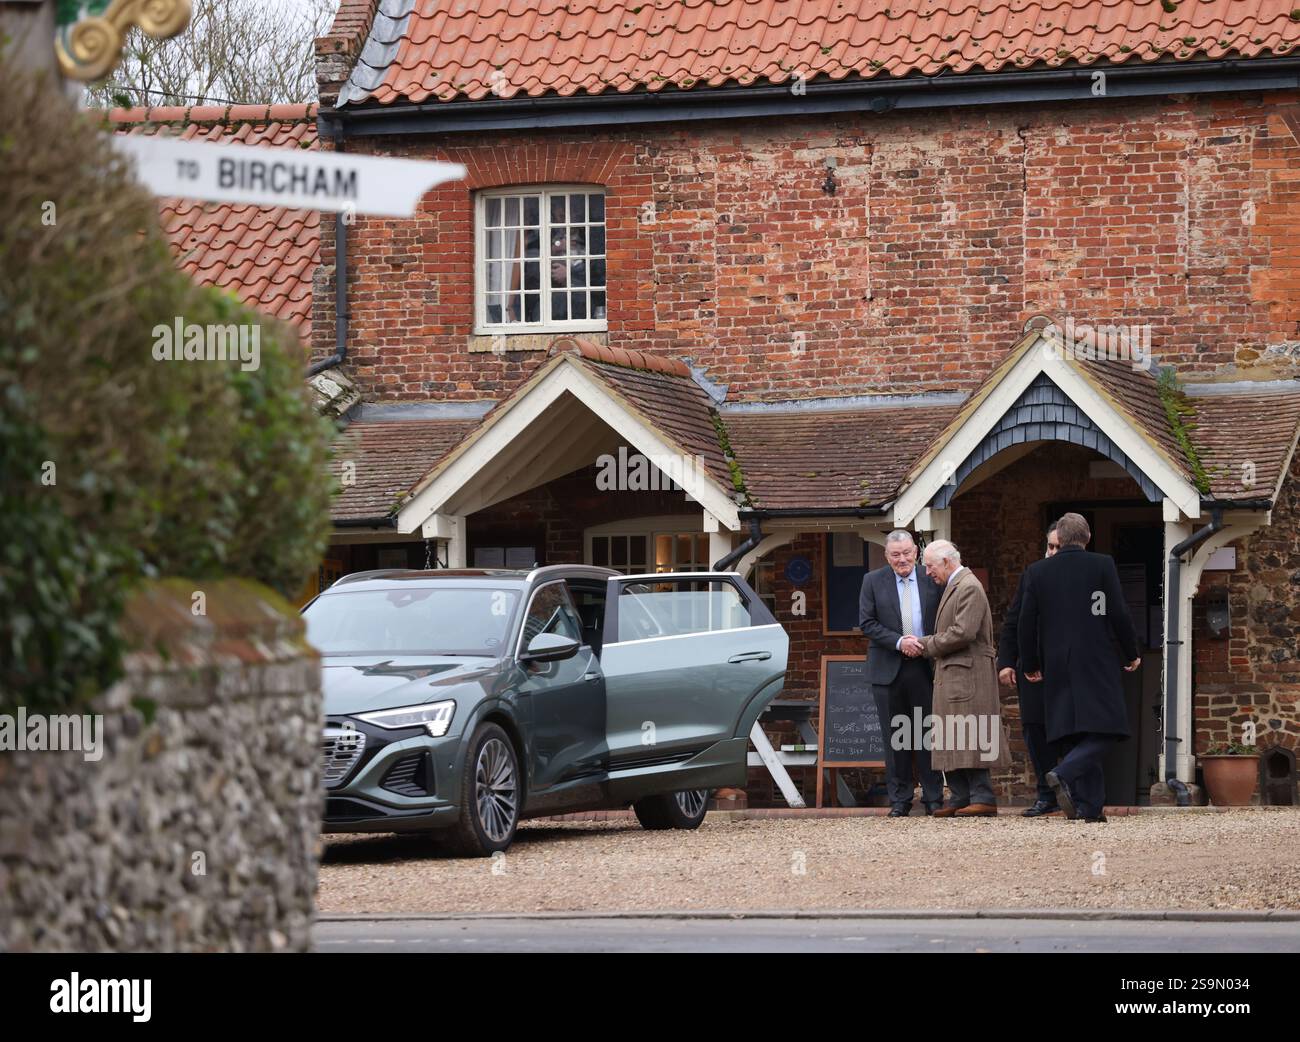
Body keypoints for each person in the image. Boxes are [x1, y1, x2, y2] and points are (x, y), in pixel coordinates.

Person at [1018, 512, 1141, 823]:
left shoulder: (1037, 571)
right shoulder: (1101, 565)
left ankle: (1091, 809)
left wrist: (1030, 663)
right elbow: (1118, 613)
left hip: (1056, 662)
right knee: (1109, 727)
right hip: (1096, 658)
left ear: (1060, 537)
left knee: (1078, 734)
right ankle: (1063, 772)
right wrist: (1131, 653)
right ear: (1087, 538)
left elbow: (1025, 621)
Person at [918, 540, 1011, 817]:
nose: (927, 573)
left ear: (947, 562)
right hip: (955, 673)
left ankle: (982, 797)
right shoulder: (956, 585)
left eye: (930, 566)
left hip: (968, 674)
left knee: (971, 733)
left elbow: (963, 632)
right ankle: (960, 797)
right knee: (952, 735)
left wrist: (925, 644)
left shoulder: (969, 586)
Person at [859, 531, 945, 817]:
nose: (902, 559)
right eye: (895, 554)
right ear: (887, 556)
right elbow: (867, 623)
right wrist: (900, 642)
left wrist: (924, 644)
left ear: (916, 553)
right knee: (895, 736)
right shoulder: (872, 581)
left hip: (925, 665)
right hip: (887, 667)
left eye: (907, 553)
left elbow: (944, 617)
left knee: (926, 733)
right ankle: (900, 799)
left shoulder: (930, 578)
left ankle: (933, 797)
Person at [997, 525, 1062, 817]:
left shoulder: (1087, 575)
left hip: (1067, 669)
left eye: (1058, 548)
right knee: (1035, 730)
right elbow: (1014, 620)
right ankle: (1046, 794)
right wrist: (1007, 661)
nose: (1053, 553)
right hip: (1032, 669)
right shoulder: (1032, 575)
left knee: (1072, 731)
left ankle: (1074, 792)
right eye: (1050, 547)